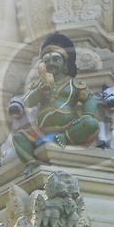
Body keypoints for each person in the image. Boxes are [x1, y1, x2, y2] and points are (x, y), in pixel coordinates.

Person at [14, 34, 99, 163]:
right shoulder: (38, 85)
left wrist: (87, 114)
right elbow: (28, 102)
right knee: (18, 138)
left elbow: (89, 99)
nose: (51, 64)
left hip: (69, 127)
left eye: (56, 60)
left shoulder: (73, 83)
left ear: (65, 63)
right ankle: (32, 163)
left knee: (91, 124)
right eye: (47, 61)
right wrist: (41, 90)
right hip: (41, 131)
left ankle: (63, 138)